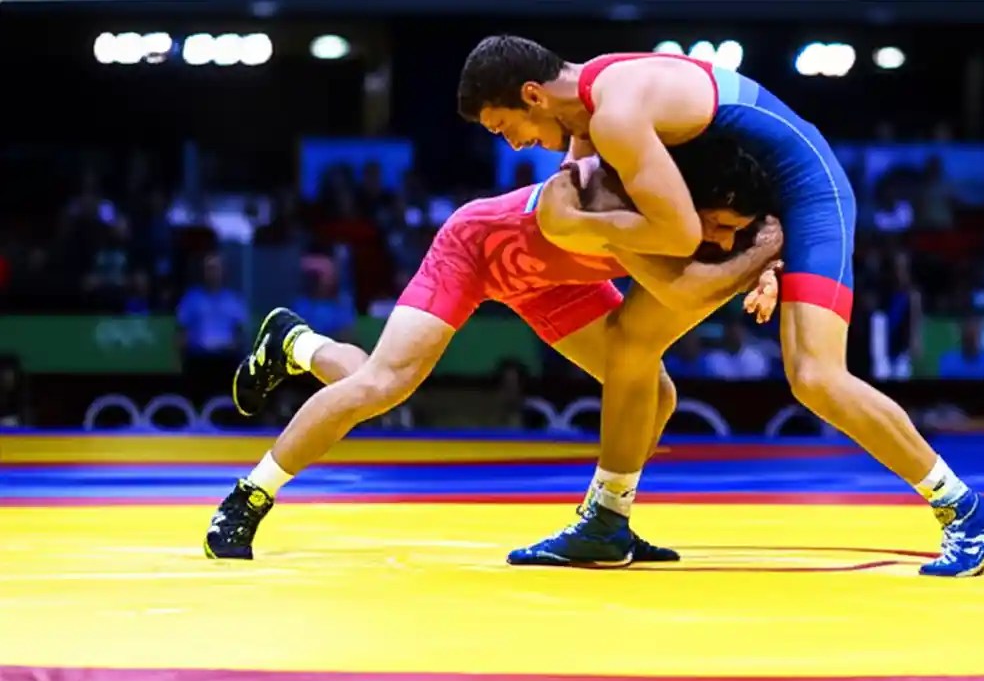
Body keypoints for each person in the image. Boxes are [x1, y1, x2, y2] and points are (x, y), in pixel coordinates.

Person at [457, 36, 984, 577]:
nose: (515, 145)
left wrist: (579, 225)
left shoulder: (613, 115)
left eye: (505, 128)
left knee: (816, 375)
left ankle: (966, 509)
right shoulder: (592, 99)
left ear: (532, 94)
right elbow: (601, 185)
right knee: (631, 340)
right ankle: (607, 517)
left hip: (807, 196)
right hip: (746, 199)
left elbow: (675, 235)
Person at [204, 134, 783, 562]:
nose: (725, 240)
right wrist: (756, 261)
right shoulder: (640, 200)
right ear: (695, 204)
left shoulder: (705, 218)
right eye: (720, 226)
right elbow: (683, 288)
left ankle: (606, 519)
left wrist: (762, 268)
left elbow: (725, 256)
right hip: (477, 248)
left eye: (737, 230)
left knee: (655, 391)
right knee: (384, 384)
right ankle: (248, 497)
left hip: (556, 280)